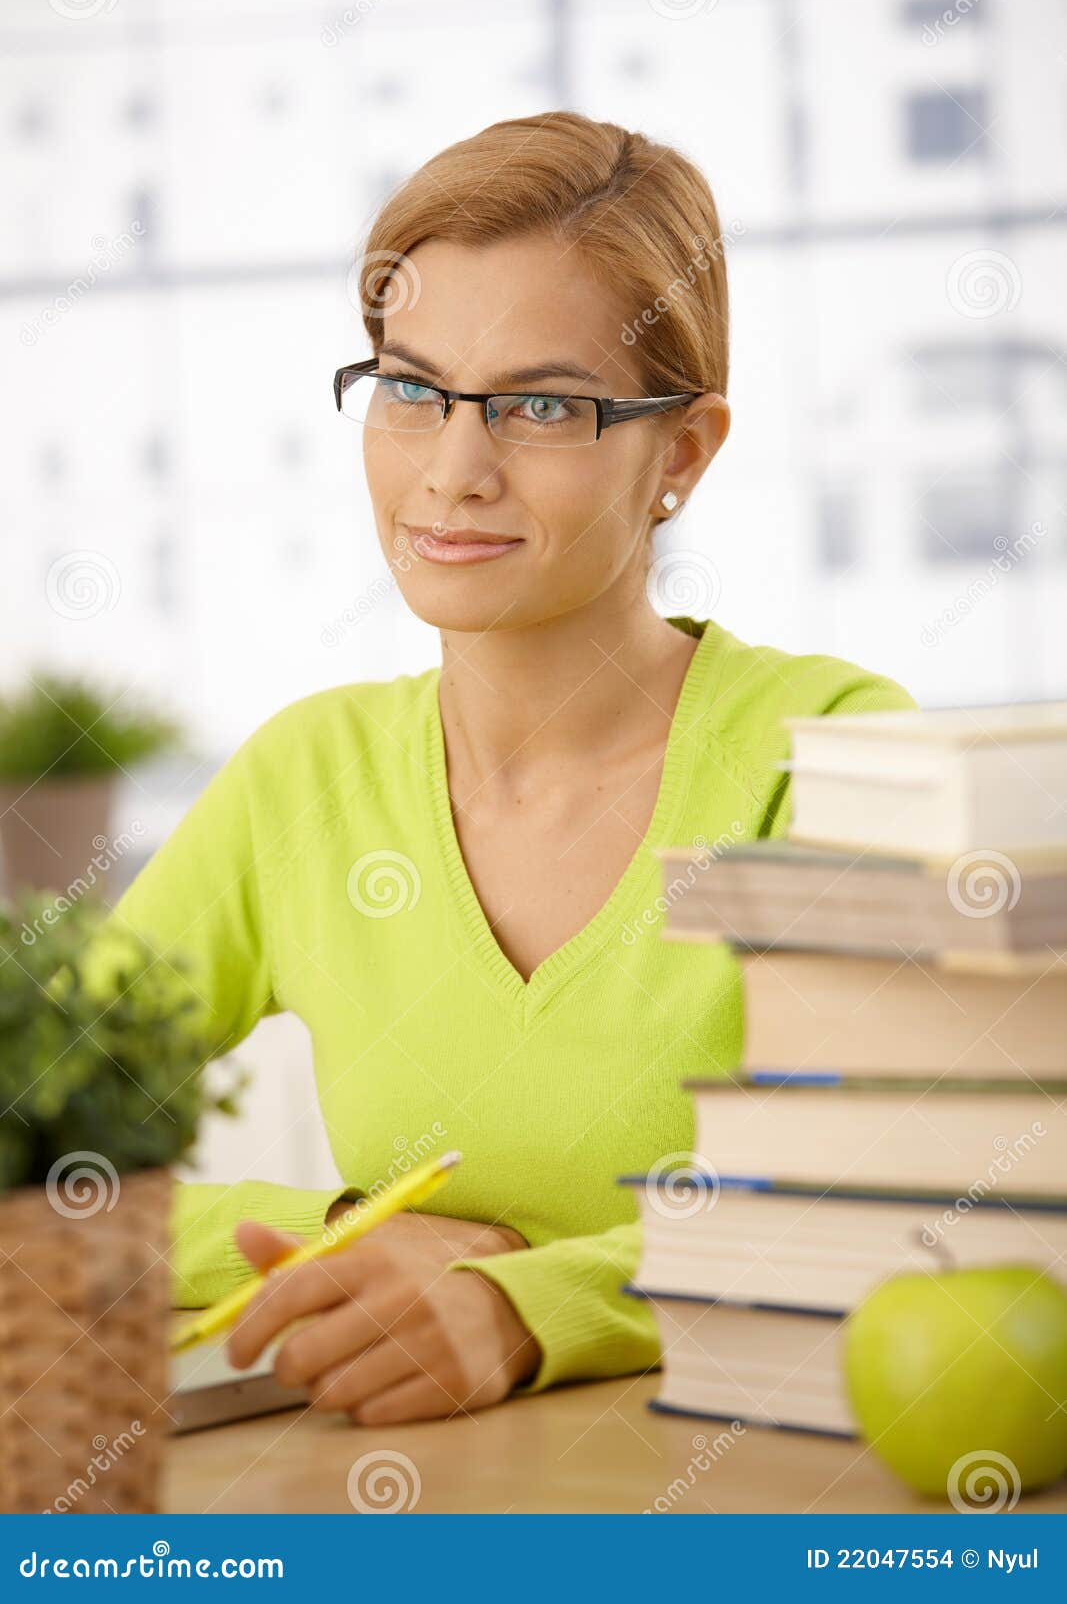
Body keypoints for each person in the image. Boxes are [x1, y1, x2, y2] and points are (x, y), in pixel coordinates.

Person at [112, 110, 915, 1425]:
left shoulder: (832, 756)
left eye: (542, 404)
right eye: (411, 389)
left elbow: (919, 1195)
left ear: (684, 452)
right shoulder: (305, 779)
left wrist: (529, 1304)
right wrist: (340, 1232)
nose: (453, 468)